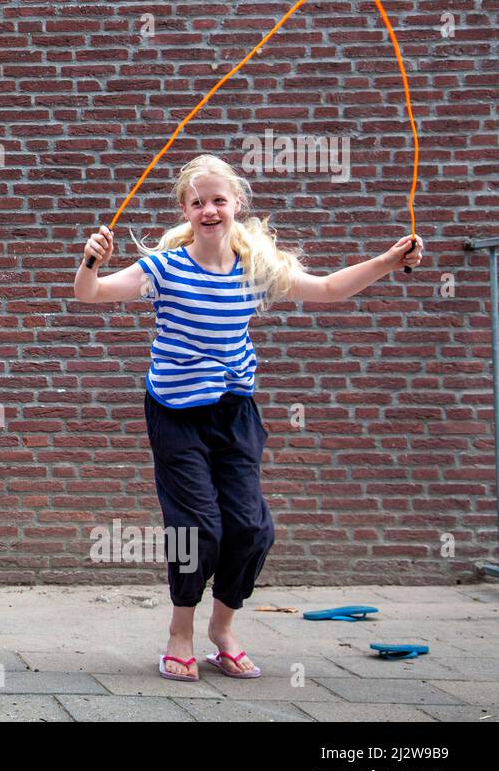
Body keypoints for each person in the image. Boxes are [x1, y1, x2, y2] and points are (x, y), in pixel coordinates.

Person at [73, 154, 422, 680]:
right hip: (175, 412)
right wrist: (90, 261)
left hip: (235, 413)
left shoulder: (256, 270)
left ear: (236, 204)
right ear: (185, 211)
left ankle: (223, 629)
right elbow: (90, 295)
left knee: (252, 527)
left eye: (218, 200)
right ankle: (179, 632)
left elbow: (327, 289)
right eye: (198, 202)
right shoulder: (163, 268)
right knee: (197, 528)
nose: (209, 210)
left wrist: (387, 262)